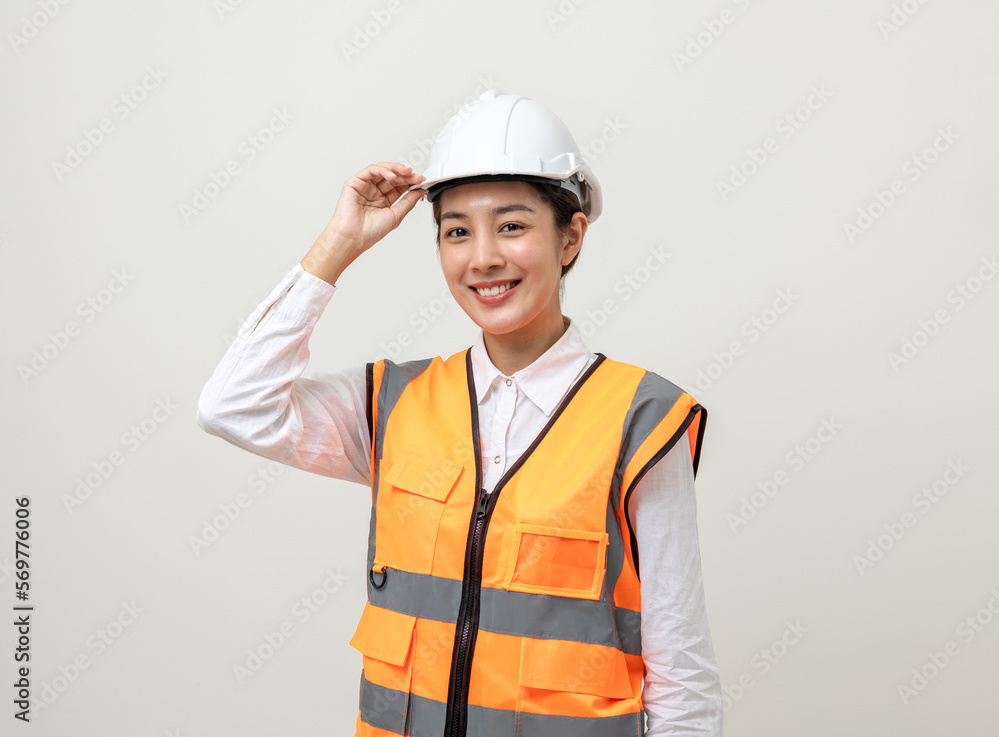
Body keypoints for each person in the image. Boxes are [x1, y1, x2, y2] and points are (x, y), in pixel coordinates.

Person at [197, 90, 722, 737]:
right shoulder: (390, 406)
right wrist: (338, 244)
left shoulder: (642, 422)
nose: (482, 258)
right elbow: (231, 405)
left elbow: (683, 675)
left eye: (512, 225)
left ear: (570, 236)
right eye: (456, 231)